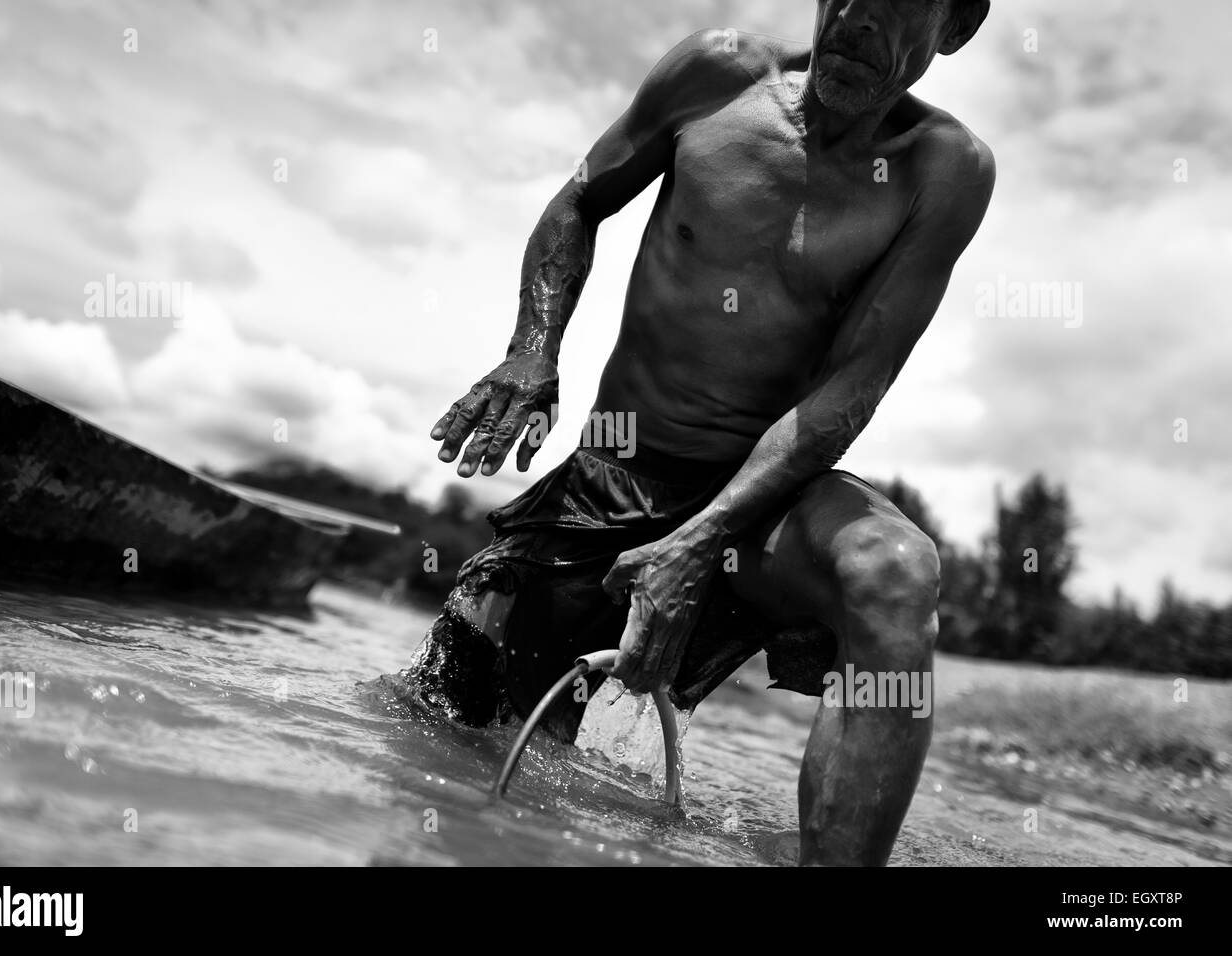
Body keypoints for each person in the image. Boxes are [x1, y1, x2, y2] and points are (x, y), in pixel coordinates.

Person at [407, 0, 994, 866]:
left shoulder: (942, 171)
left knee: (896, 572)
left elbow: (851, 389)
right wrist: (531, 352)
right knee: (452, 753)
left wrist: (701, 539)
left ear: (954, 27)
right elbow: (579, 199)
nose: (860, 21)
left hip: (760, 507)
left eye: (898, 1)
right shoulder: (715, 76)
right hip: (615, 473)